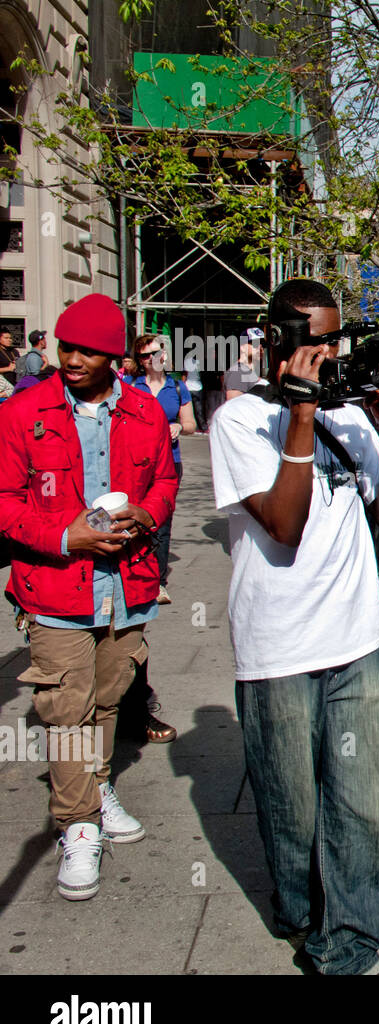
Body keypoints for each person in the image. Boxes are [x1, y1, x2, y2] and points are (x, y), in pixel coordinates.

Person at [209, 278, 379, 974]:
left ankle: (352, 946)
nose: (328, 352)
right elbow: (284, 527)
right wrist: (300, 417)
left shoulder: (352, 418)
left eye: (334, 338)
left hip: (356, 639)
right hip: (278, 647)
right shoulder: (238, 421)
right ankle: (300, 911)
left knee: (361, 804)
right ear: (275, 343)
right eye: (313, 339)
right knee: (292, 811)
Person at [0, 294, 177, 901]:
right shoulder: (24, 412)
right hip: (53, 588)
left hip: (126, 587)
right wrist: (62, 535)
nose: (71, 359)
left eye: (87, 350)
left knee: (107, 699)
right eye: (65, 347)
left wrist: (147, 515)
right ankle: (77, 825)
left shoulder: (147, 412)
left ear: (115, 356)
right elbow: (4, 501)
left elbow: (165, 479)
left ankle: (97, 785)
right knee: (65, 708)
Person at [125, 335, 196, 606]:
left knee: (162, 522)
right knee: (130, 518)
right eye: (144, 356)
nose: (151, 359)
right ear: (139, 361)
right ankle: (131, 575)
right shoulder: (129, 385)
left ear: (164, 355)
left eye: (155, 353)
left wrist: (179, 426)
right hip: (133, 462)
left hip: (169, 462)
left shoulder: (177, 387)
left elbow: (190, 423)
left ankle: (157, 582)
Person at [224, 328, 264, 399]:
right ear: (242, 347)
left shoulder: (248, 371)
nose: (260, 347)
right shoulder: (237, 373)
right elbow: (234, 406)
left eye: (262, 344)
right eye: (255, 343)